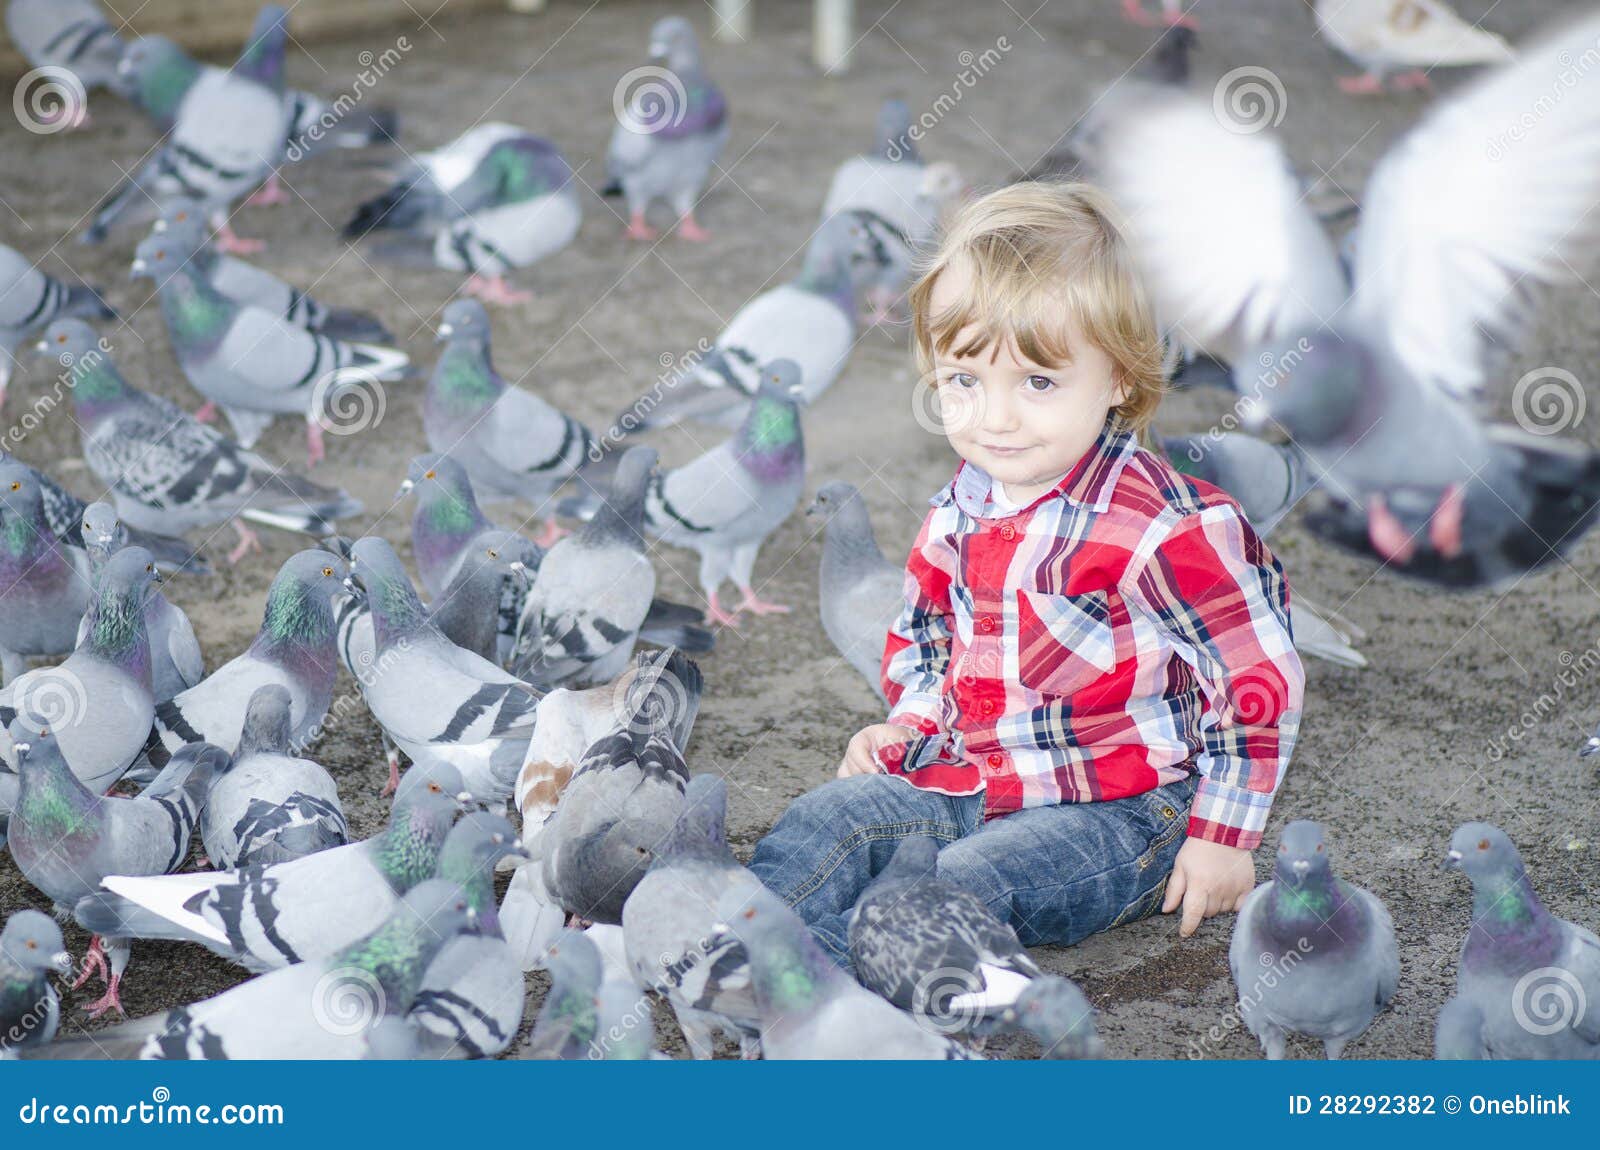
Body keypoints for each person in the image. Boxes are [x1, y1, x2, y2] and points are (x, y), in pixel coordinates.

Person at [748, 181, 1305, 963]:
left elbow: (1256, 678)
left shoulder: (1166, 529)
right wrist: (908, 726)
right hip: (972, 779)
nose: (995, 418)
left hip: (1123, 813)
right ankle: (745, 948)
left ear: (1118, 378)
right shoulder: (959, 508)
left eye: (1038, 382)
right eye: (964, 381)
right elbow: (929, 638)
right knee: (824, 820)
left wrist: (1222, 838)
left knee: (960, 883)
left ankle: (831, 998)